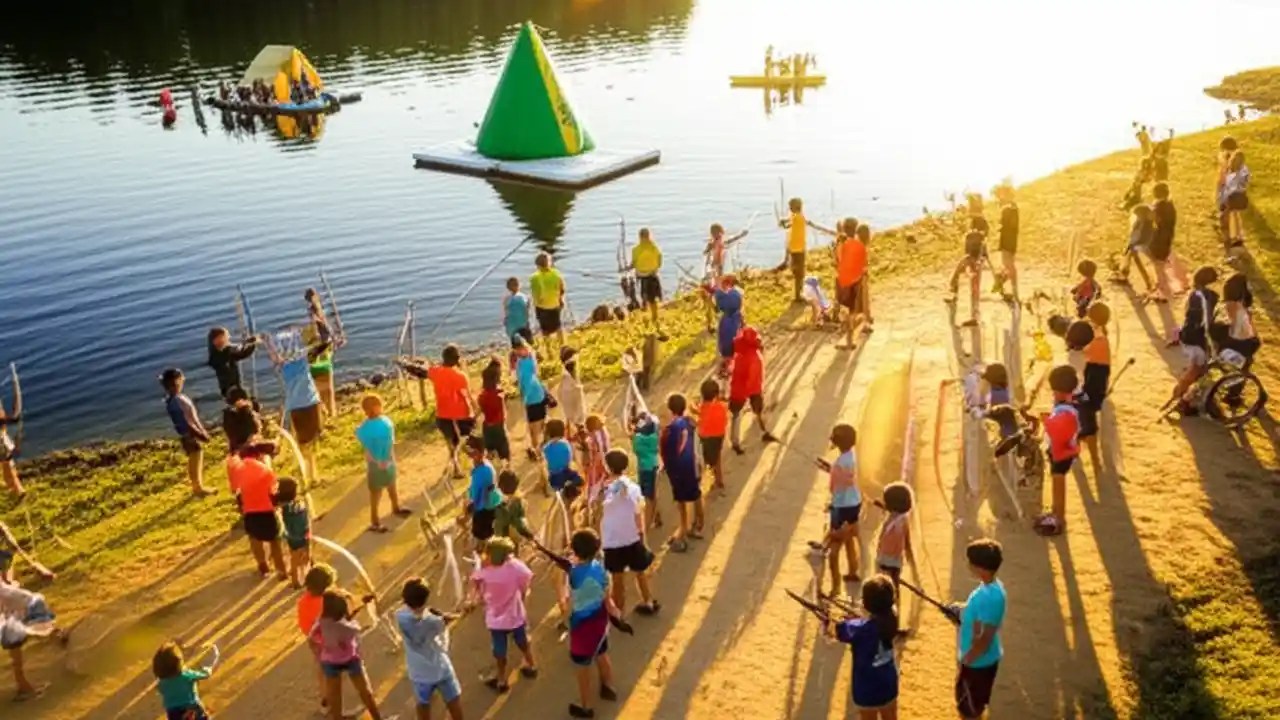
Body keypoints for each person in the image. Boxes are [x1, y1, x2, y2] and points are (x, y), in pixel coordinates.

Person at [560, 529, 626, 719]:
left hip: (582, 627)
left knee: (582, 668)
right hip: (600, 620)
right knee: (602, 653)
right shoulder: (600, 568)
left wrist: (565, 617)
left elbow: (569, 602)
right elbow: (607, 596)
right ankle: (608, 686)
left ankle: (586, 706)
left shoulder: (574, 575)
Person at [468, 537, 537, 692]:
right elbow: (527, 579)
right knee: (523, 642)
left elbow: (475, 582)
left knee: (500, 650)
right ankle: (531, 664)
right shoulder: (515, 567)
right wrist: (523, 592)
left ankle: (501, 679)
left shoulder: (485, 572)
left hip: (495, 619)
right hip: (515, 615)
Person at [949, 539, 1006, 720]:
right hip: (982, 662)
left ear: (980, 568)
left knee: (969, 710)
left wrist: (967, 660)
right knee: (973, 705)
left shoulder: (987, 597)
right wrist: (960, 610)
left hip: (977, 665)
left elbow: (985, 637)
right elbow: (978, 615)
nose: (968, 566)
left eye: (970, 562)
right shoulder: (993, 588)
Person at [599, 449, 660, 616]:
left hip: (613, 540)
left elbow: (598, 511)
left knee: (617, 580)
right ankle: (647, 600)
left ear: (608, 467)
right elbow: (638, 512)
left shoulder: (604, 490)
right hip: (632, 537)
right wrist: (642, 536)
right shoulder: (633, 487)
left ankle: (619, 612)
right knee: (640, 572)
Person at [403, 345, 476, 478]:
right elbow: (467, 395)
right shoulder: (461, 376)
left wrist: (406, 364)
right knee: (464, 439)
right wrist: (474, 409)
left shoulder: (436, 372)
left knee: (450, 443)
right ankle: (473, 457)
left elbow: (420, 371)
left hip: (443, 413)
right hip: (461, 413)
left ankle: (456, 468)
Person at [833, 575, 901, 720]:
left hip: (866, 689)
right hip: (888, 683)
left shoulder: (859, 628)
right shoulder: (892, 617)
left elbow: (840, 629)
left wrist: (843, 618)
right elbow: (869, 622)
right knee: (891, 716)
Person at [311, 589, 386, 720]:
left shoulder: (322, 620)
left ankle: (338, 717)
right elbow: (356, 627)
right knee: (365, 691)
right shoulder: (347, 628)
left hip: (329, 661)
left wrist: (324, 644)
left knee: (335, 695)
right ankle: (377, 717)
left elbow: (312, 636)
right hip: (350, 659)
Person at [397, 577, 464, 720]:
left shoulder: (400, 617)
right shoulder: (434, 622)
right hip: (441, 666)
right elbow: (445, 621)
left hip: (419, 672)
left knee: (423, 704)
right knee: (453, 700)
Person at [267, 332, 326, 485]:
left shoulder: (281, 365)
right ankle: (311, 475)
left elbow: (274, 353)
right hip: (310, 402)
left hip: (295, 405)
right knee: (311, 440)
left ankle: (307, 473)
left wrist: (268, 342)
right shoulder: (304, 359)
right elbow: (324, 343)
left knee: (303, 441)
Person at [811, 423, 862, 592]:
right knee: (849, 539)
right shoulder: (851, 456)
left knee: (834, 549)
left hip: (841, 507)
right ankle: (853, 571)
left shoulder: (840, 463)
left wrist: (831, 471)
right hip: (854, 503)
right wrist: (830, 468)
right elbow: (845, 478)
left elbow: (835, 487)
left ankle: (836, 586)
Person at [227, 439, 287, 579]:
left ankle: (263, 566)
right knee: (275, 542)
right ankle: (281, 571)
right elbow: (273, 491)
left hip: (250, 512)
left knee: (255, 539)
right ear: (259, 455)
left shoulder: (238, 469)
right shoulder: (265, 470)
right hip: (267, 510)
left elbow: (234, 490)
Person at [1034, 366, 1080, 537]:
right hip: (1066, 449)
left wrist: (1047, 421)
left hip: (1061, 452)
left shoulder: (1065, 410)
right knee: (1057, 482)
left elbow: (1059, 430)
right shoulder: (1070, 401)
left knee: (1058, 483)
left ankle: (1058, 518)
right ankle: (1055, 512)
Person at [354, 393, 409, 533]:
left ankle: (379, 518)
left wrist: (378, 462)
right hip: (387, 460)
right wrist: (386, 460)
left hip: (375, 463)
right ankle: (385, 514)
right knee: (389, 487)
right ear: (375, 408)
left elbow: (367, 451)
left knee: (378, 492)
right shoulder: (386, 423)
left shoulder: (364, 429)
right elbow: (390, 444)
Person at [1166, 267, 1220, 410]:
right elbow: (1207, 321)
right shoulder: (1211, 296)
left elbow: (1187, 318)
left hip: (1187, 335)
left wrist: (1175, 335)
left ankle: (1184, 395)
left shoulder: (1192, 294)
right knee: (1195, 370)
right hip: (1198, 339)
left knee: (1196, 369)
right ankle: (1181, 397)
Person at [1, 582, 65, 701]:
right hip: (19, 607)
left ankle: (22, 685)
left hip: (16, 606)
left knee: (15, 640)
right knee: (19, 636)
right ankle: (59, 637)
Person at [160, 368, 213, 497]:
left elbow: (192, 417)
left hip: (189, 434)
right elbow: (186, 422)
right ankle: (198, 488)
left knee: (195, 457)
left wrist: (202, 429)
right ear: (176, 383)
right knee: (195, 458)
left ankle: (196, 485)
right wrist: (200, 434)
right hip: (189, 435)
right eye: (181, 380)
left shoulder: (177, 398)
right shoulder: (176, 401)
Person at [661, 393, 702, 553]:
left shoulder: (670, 430)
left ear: (670, 409)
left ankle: (683, 528)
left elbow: (668, 454)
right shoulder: (691, 422)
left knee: (681, 500)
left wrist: (667, 468)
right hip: (692, 465)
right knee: (695, 493)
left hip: (678, 470)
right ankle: (698, 523)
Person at [729, 325, 777, 454]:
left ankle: (736, 441)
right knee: (755, 410)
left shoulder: (740, 352)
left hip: (739, 388)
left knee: (737, 415)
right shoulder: (755, 357)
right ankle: (761, 432)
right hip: (750, 388)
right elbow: (752, 378)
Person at [298, 563, 339, 715]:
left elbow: (303, 624)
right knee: (333, 672)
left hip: (313, 640)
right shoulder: (326, 603)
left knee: (321, 668)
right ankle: (335, 706)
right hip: (328, 641)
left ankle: (325, 700)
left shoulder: (303, 601)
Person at [1077, 303, 1112, 477]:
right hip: (1098, 380)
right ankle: (1081, 439)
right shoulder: (1102, 333)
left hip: (1093, 382)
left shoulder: (1097, 338)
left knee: (1087, 417)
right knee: (1082, 412)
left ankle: (1096, 462)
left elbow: (1085, 352)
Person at [152, 641, 214, 720]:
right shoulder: (186, 675)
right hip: (191, 708)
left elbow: (160, 689)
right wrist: (208, 669)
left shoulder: (162, 683)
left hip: (173, 713)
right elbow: (205, 675)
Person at [779, 197, 823, 302]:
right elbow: (789, 222)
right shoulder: (798, 217)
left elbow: (788, 223)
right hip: (798, 249)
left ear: (794, 208)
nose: (789, 209)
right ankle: (798, 296)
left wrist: (783, 223)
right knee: (800, 274)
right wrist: (784, 222)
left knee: (798, 273)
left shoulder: (796, 217)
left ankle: (798, 294)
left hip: (795, 249)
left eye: (790, 207)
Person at [513, 336, 549, 463]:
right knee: (538, 426)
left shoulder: (525, 361)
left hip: (534, 397)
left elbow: (528, 382)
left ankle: (537, 450)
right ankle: (539, 449)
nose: (521, 351)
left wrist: (525, 398)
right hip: (536, 395)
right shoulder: (524, 359)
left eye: (522, 348)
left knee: (536, 427)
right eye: (519, 349)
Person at [304, 288, 340, 417]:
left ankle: (324, 413)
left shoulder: (310, 328)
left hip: (315, 362)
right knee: (328, 390)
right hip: (324, 361)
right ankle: (331, 413)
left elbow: (310, 345)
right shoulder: (322, 323)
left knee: (317, 391)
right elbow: (328, 340)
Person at [875, 483, 913, 594]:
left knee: (889, 585)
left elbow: (893, 542)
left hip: (888, 559)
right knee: (891, 583)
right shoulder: (900, 517)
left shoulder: (898, 523)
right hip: (891, 559)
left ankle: (892, 601)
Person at [630, 228, 667, 339]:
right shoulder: (654, 247)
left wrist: (628, 268)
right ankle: (652, 316)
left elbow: (634, 263)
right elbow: (660, 259)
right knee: (653, 299)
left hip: (644, 277)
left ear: (640, 237)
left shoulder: (636, 249)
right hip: (653, 275)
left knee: (647, 299)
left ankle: (652, 319)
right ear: (649, 236)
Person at [1110, 204, 1156, 293]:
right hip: (1138, 246)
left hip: (1140, 247)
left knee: (1138, 263)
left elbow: (1140, 238)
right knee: (1130, 258)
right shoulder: (1145, 224)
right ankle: (1124, 273)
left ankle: (1149, 283)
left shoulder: (1145, 226)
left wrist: (1132, 246)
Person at [629, 411, 663, 529]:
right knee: (652, 494)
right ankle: (656, 516)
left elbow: (635, 451)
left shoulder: (638, 440)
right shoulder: (654, 437)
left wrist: (633, 434)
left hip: (644, 469)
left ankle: (648, 524)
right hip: (653, 466)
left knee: (647, 496)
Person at [466, 437, 502, 547]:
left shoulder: (483, 471)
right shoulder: (483, 465)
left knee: (482, 535)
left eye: (473, 453)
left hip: (485, 507)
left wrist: (471, 506)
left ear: (479, 452)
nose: (471, 456)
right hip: (487, 503)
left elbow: (479, 495)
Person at [706, 275, 745, 377]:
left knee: (726, 348)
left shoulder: (723, 297)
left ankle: (726, 368)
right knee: (734, 346)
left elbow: (718, 308)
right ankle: (731, 366)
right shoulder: (737, 295)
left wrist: (710, 298)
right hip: (736, 322)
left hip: (727, 325)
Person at [277, 477, 312, 589]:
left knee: (294, 558)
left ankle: (295, 581)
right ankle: (308, 574)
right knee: (306, 554)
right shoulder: (301, 503)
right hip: (305, 533)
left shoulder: (283, 508)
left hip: (293, 536)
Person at [206, 326, 258, 400]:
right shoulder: (222, 354)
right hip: (231, 388)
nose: (228, 338)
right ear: (216, 340)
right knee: (246, 401)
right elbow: (240, 352)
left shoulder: (219, 353)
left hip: (230, 387)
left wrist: (249, 343)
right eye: (225, 337)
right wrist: (251, 344)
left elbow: (240, 350)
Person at [1148, 182, 1178, 303]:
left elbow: (1153, 219)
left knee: (1158, 267)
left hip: (1158, 239)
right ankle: (1162, 290)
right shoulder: (1171, 205)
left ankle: (1163, 293)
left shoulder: (1158, 206)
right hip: (1167, 239)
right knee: (1161, 266)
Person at [696, 379, 729, 493]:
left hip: (705, 438)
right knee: (717, 458)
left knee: (703, 461)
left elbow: (700, 421)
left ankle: (701, 482)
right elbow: (725, 421)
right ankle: (719, 480)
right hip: (719, 437)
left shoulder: (702, 407)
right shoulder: (722, 406)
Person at [531, 252, 567, 354]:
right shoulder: (556, 274)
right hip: (555, 305)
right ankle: (563, 346)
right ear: (549, 263)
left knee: (544, 330)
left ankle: (549, 350)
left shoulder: (534, 278)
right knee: (558, 326)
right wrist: (560, 300)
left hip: (541, 307)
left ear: (537, 265)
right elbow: (562, 289)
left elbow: (535, 294)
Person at [479, 359, 511, 467]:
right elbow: (504, 413)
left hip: (487, 428)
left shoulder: (482, 396)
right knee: (506, 458)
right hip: (499, 428)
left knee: (490, 457)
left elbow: (481, 410)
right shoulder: (500, 394)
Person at [1220, 150, 1251, 252]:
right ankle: (1234, 237)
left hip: (1237, 197)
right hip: (1232, 196)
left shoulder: (1241, 171)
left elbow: (1240, 183)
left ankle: (1234, 238)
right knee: (1233, 216)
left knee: (1233, 216)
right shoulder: (1233, 169)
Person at [544, 419, 583, 498]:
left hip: (554, 475)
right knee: (578, 479)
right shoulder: (565, 443)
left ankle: (563, 488)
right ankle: (570, 486)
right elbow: (570, 458)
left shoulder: (546, 448)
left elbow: (546, 465)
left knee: (556, 484)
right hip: (566, 470)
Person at [493, 469, 534, 546]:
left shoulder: (495, 498)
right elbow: (519, 524)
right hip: (506, 541)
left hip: (494, 537)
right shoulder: (515, 503)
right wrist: (529, 535)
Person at [221, 386, 263, 455]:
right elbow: (255, 429)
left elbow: (229, 433)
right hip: (249, 445)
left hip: (236, 449)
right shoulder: (249, 412)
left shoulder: (227, 414)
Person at [559, 347, 588, 438]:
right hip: (572, 400)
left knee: (577, 419)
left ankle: (579, 433)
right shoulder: (568, 374)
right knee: (577, 419)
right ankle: (580, 434)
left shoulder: (568, 373)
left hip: (572, 401)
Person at [503, 277, 534, 349]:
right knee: (528, 342)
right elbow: (527, 309)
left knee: (516, 344)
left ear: (508, 288)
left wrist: (506, 322)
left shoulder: (507, 299)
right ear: (519, 285)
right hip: (523, 323)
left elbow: (506, 312)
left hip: (512, 326)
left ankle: (519, 356)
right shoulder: (524, 297)